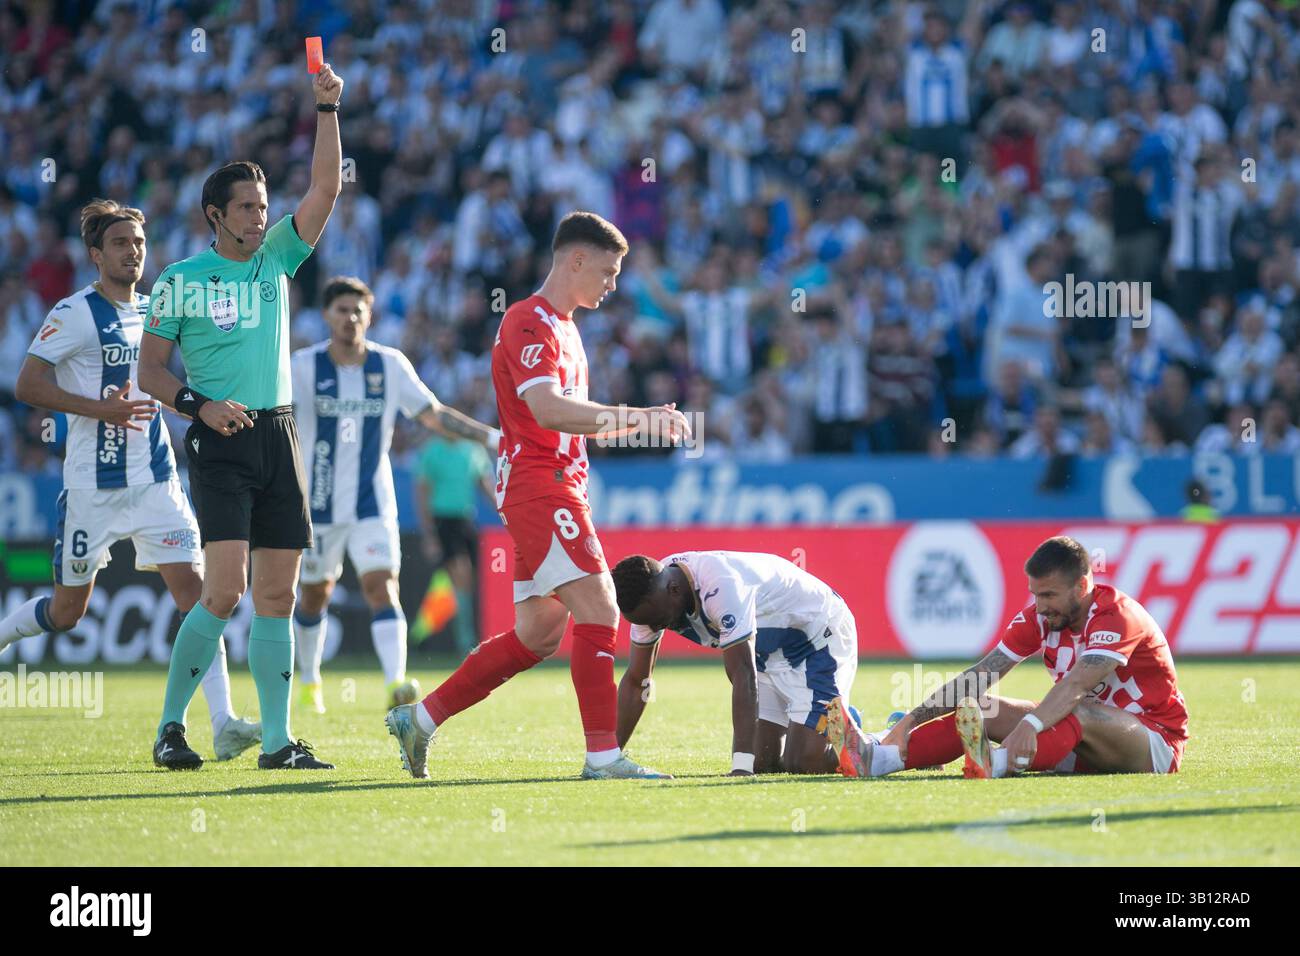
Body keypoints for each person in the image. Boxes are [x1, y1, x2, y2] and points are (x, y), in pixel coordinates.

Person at [384, 211, 692, 780]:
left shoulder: (569, 330)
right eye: (607, 271)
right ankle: (603, 756)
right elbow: (547, 410)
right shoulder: (530, 320)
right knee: (602, 608)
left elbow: (571, 420)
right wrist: (636, 414)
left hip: (555, 485)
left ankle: (419, 720)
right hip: (541, 487)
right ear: (575, 260)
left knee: (538, 634)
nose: (613, 284)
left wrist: (644, 424)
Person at [1, 198, 260, 766]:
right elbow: (27, 385)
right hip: (91, 489)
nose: (133, 251)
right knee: (69, 612)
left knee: (202, 596)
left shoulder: (157, 312)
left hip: (156, 481)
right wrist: (98, 409)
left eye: (139, 242)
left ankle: (220, 723)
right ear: (96, 254)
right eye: (120, 243)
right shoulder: (72, 313)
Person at [137, 63, 345, 770]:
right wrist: (200, 405)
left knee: (279, 592)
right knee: (224, 592)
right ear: (215, 216)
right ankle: (171, 729)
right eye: (248, 208)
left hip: (279, 434)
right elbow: (150, 372)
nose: (262, 217)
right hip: (218, 440)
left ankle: (279, 742)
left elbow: (326, 188)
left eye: (264, 207)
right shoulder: (181, 281)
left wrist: (325, 109)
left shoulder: (277, 260)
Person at [291, 276, 498, 713]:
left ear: (370, 315)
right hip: (318, 505)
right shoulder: (303, 367)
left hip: (373, 502)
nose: (350, 318)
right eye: (341, 309)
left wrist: (490, 438)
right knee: (314, 595)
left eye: (357, 310)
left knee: (381, 587)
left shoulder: (390, 366)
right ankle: (309, 679)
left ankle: (396, 683)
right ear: (326, 315)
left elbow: (433, 415)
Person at [826, 536, 1189, 779]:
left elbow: (1078, 684)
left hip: (1153, 743)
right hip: (1076, 741)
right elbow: (983, 672)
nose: (1040, 606)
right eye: (1035, 594)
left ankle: (995, 763)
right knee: (981, 706)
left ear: (1082, 586)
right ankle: (874, 760)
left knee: (1074, 708)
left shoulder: (1118, 616)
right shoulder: (1041, 616)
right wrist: (912, 719)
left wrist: (1030, 727)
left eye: (1049, 595)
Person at [611, 550, 859, 776]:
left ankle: (880, 743)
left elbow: (742, 675)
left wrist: (740, 768)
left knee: (804, 762)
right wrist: (610, 756)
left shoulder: (720, 586)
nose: (653, 628)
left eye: (658, 621)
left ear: (674, 590)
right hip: (768, 656)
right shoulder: (652, 598)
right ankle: (832, 724)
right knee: (762, 762)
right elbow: (637, 680)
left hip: (817, 640)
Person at [412, 427, 495, 656]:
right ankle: (466, 643)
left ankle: (421, 632)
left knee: (451, 583)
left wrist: (505, 511)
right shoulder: (432, 451)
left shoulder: (473, 450)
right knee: (461, 576)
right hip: (443, 522)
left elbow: (485, 484)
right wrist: (429, 533)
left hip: (466, 521)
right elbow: (422, 492)